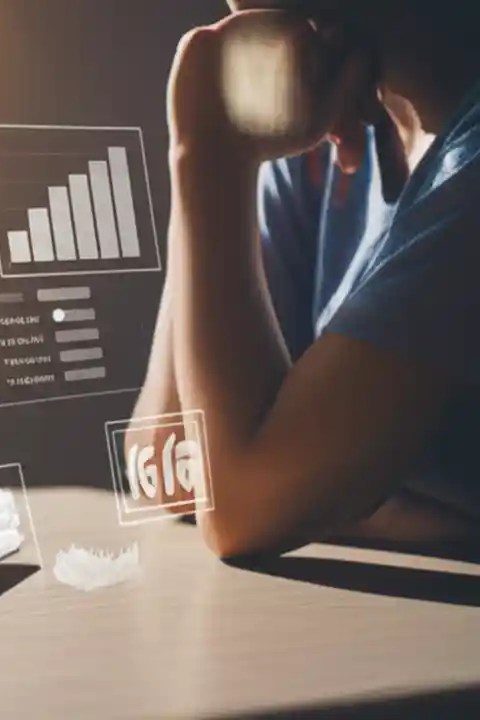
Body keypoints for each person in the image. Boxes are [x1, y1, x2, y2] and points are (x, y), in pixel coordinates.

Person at [134, 0, 480, 558]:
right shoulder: (314, 144)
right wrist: (207, 149)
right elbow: (166, 464)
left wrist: (207, 155)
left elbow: (238, 513)